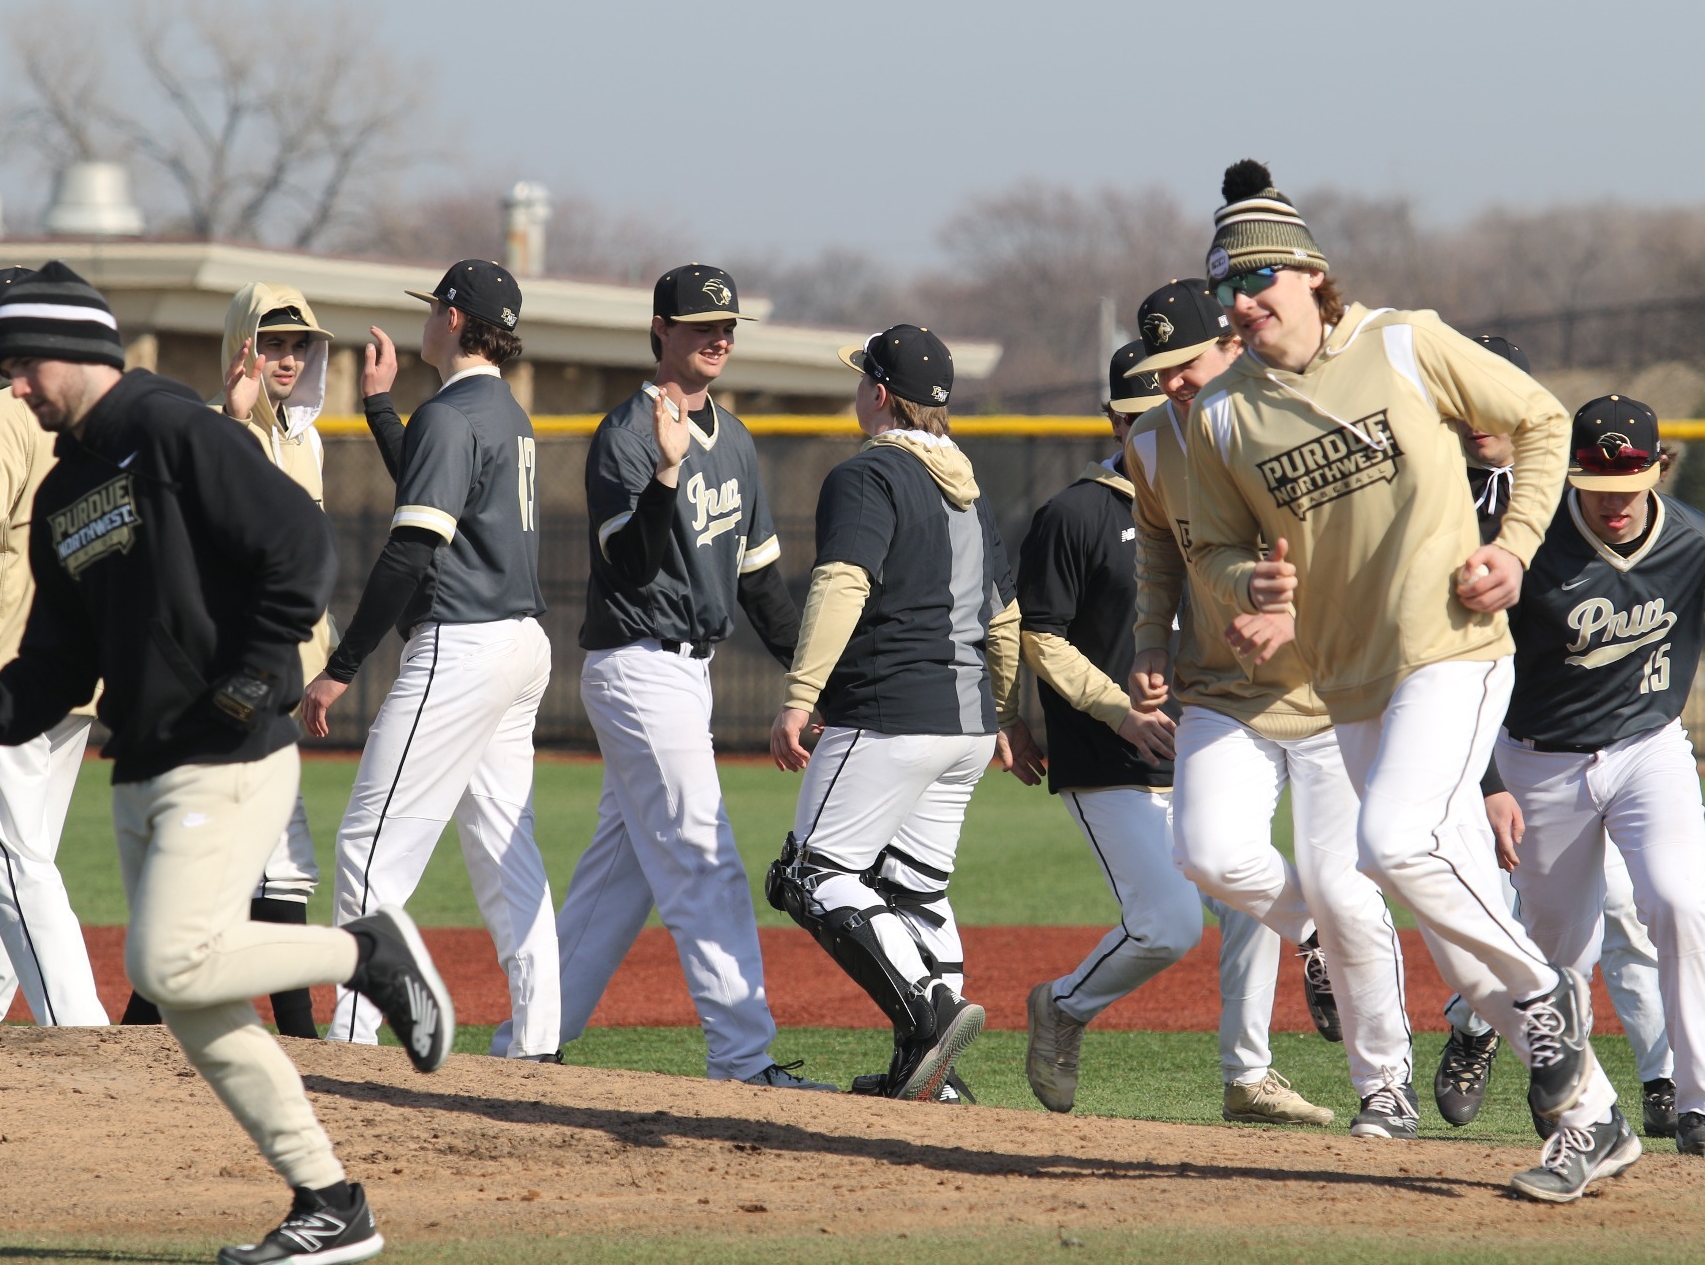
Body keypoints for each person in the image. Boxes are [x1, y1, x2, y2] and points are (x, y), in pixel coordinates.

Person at [0, 260, 453, 1265]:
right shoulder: (66, 491)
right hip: (141, 765)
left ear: (80, 352)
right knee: (195, 1005)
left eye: (22, 365)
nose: (12, 385)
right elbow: (56, 665)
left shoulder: (173, 427)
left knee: (166, 962)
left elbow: (299, 548)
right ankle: (331, 1199)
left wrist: (241, 687)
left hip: (225, 748)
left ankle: (366, 951)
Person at [1184, 159, 1632, 1203]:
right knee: (1449, 927)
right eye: (1225, 292)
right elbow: (1204, 547)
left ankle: (1544, 991)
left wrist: (1515, 546)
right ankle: (1593, 1121)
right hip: (1344, 678)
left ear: (1308, 273)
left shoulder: (1401, 341)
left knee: (1394, 843)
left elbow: (1541, 423)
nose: (1242, 305)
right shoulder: (1221, 417)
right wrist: (1240, 583)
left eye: (1258, 282)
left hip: (1451, 649)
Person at [486, 264, 827, 1088]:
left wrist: (820, 685)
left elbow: (763, 592)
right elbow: (631, 564)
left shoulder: (738, 441)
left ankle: (528, 1041)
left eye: (729, 326)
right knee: (705, 860)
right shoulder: (627, 433)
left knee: (623, 870)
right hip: (638, 665)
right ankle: (743, 1061)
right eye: (701, 323)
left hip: (690, 674)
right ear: (660, 329)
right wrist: (668, 474)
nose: (719, 337)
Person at [1118, 280, 1415, 1133]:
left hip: (1330, 688)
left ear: (1232, 341)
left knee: (1345, 887)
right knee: (1205, 852)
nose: (1174, 380)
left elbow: (1364, 542)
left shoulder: (1296, 413)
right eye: (1160, 367)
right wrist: (1148, 641)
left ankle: (1386, 1087)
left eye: (1188, 360)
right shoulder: (1150, 440)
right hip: (1222, 689)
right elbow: (1159, 555)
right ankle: (1310, 934)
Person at [1020, 334, 1333, 1124]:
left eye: (1158, 406)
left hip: (1204, 743)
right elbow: (1038, 634)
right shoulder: (1074, 512)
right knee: (1167, 923)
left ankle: (1249, 1076)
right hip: (1107, 758)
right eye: (1133, 413)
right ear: (1112, 421)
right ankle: (1062, 1006)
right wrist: (1115, 712)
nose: (1148, 426)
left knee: (1253, 892)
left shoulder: (1222, 492)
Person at [1494, 393, 1705, 1159]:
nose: (1614, 498)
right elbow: (1467, 664)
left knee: (1678, 905)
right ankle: (1576, 1094)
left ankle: (1703, 1103)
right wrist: (1485, 781)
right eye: (1597, 481)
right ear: (1571, 476)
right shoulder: (1530, 545)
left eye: (1630, 480)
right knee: (1556, 946)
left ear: (1657, 468)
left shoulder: (1694, 539)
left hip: (1649, 748)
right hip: (1538, 759)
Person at [763, 324, 1040, 1100]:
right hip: (965, 725)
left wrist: (800, 694)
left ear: (880, 395)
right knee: (914, 892)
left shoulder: (869, 475)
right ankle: (936, 1079)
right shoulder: (972, 492)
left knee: (812, 876)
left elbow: (844, 580)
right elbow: (1005, 622)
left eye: (863, 382)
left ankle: (928, 1013)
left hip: (888, 714)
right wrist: (1007, 717)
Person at [300, 260, 560, 1060]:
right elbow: (431, 482)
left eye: (432, 308)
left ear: (451, 318)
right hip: (520, 645)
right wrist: (380, 406)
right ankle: (539, 1038)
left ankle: (353, 1031)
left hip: (463, 645)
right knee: (504, 846)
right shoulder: (503, 412)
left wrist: (341, 665)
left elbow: (412, 547)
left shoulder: (452, 417)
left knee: (368, 844)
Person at [1432, 341, 1678, 1142]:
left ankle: (1662, 1083)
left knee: (1627, 909)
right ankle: (1477, 1025)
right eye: (1462, 405)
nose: (1478, 422)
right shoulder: (1434, 498)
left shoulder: (1554, 493)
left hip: (1584, 734)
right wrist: (1486, 777)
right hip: (1486, 735)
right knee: (1505, 913)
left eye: (1492, 403)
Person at [125, 284, 344, 1036]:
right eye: (271, 341)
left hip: (274, 680)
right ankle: (300, 1041)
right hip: (225, 677)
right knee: (252, 859)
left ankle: (137, 1032)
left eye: (297, 345)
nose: (285, 357)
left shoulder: (306, 442)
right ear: (240, 344)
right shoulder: (210, 429)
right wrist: (231, 417)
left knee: (234, 867)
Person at [0, 265, 107, 1028]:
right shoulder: (80, 415)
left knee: (13, 860)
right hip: (74, 672)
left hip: (1, 671)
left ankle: (77, 1026)